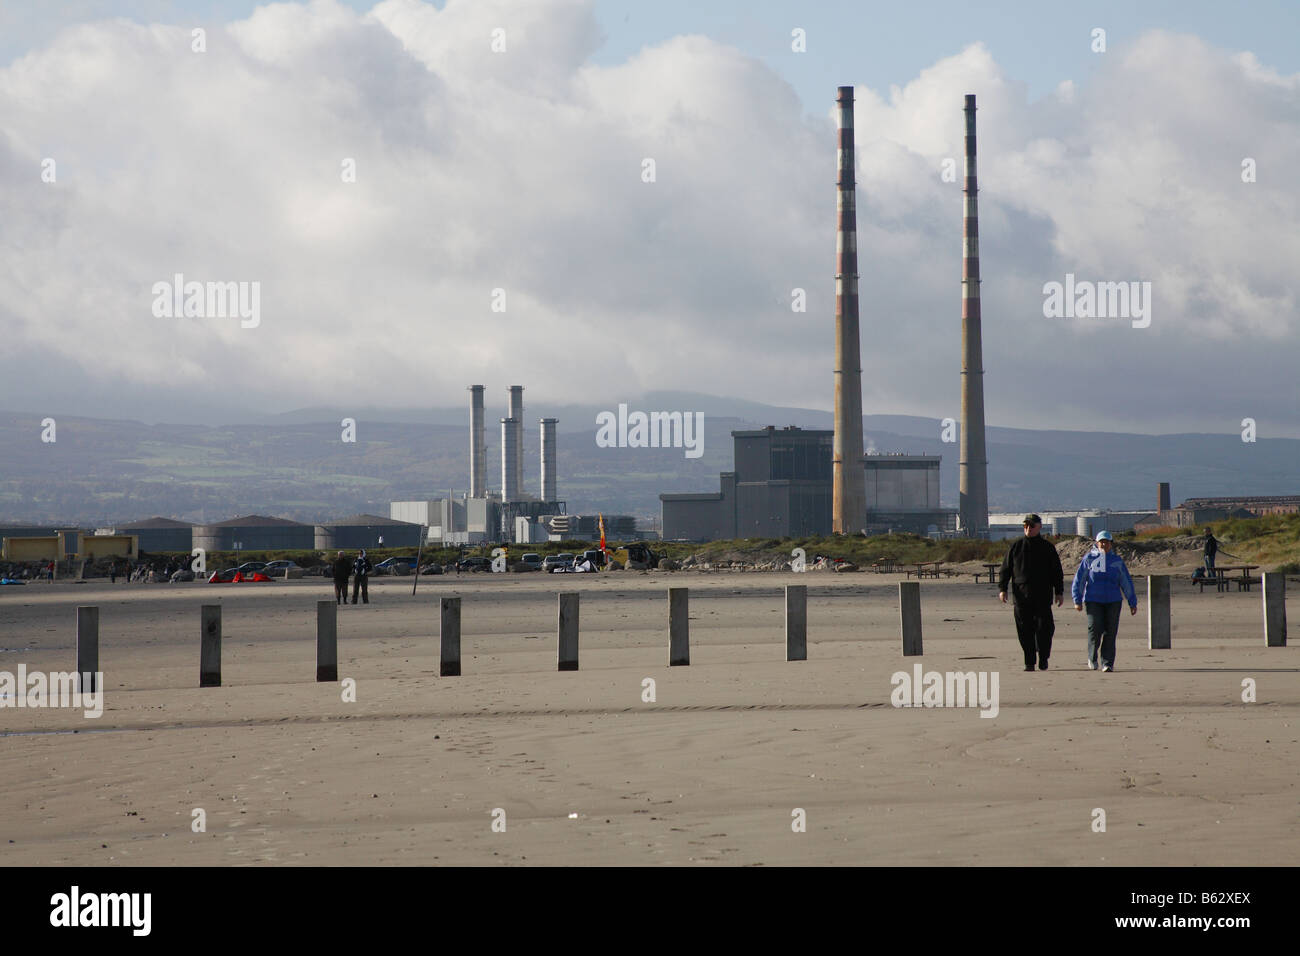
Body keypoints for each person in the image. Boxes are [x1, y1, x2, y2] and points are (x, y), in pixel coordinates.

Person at [998, 514, 1064, 672]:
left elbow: (1057, 572)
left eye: (1031, 526)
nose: (1028, 528)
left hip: (1042, 596)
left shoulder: (1047, 548)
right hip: (1021, 597)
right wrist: (1002, 589)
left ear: (1039, 527)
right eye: (1025, 526)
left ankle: (1043, 657)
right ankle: (1029, 661)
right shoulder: (1016, 547)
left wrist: (1059, 592)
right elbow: (1005, 570)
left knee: (1045, 629)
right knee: (1024, 630)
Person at [1071, 531, 1138, 672]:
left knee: (1110, 632)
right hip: (1093, 600)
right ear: (1097, 543)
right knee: (1095, 629)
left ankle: (1107, 663)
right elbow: (1080, 580)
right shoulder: (1089, 559)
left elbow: (1126, 582)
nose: (1104, 544)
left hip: (1113, 601)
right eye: (1101, 541)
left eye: (1107, 542)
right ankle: (1092, 657)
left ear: (1111, 544)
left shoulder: (1117, 561)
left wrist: (1132, 602)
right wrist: (1077, 599)